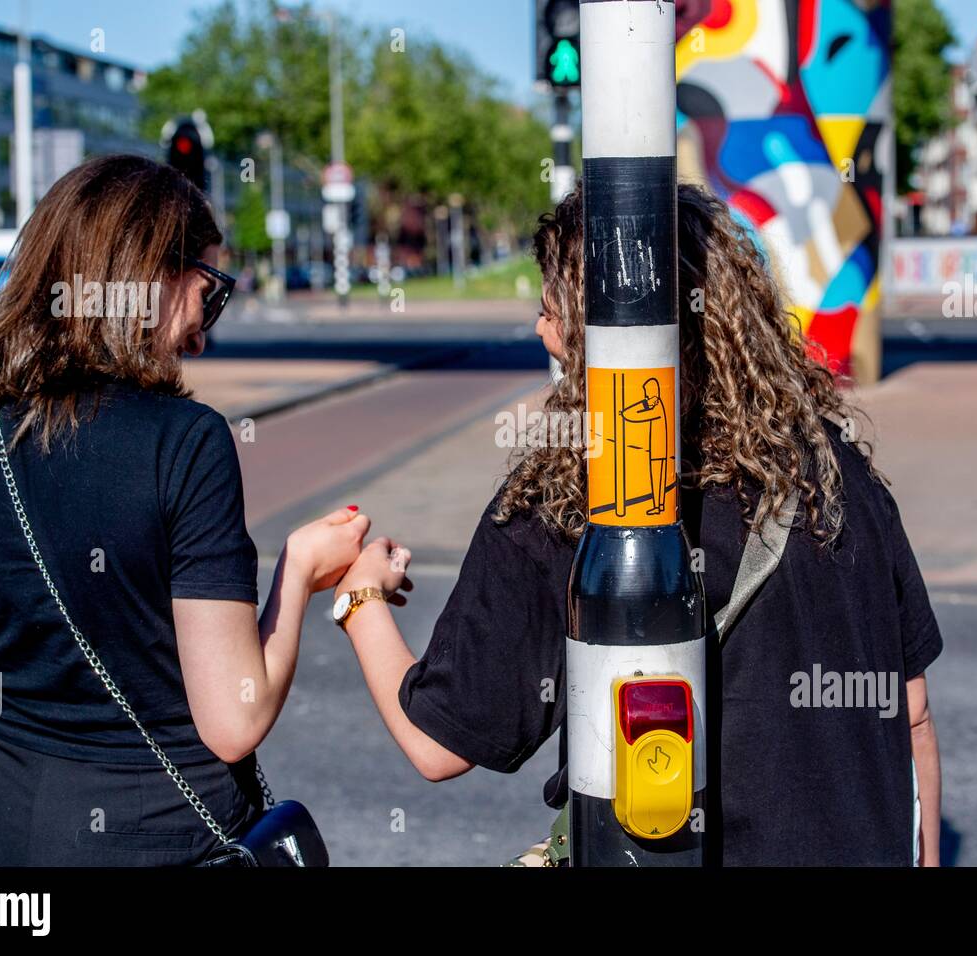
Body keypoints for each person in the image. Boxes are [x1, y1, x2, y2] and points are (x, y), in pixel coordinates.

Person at [334, 184, 944, 866]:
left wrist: (361, 598)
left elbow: (439, 743)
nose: (542, 331)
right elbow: (912, 713)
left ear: (601, 331)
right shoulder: (835, 472)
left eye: (551, 312)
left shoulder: (570, 501)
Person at [0, 155, 367, 866]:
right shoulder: (186, 445)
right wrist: (298, 574)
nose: (204, 332)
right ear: (150, 275)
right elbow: (234, 719)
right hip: (154, 837)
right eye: (209, 292)